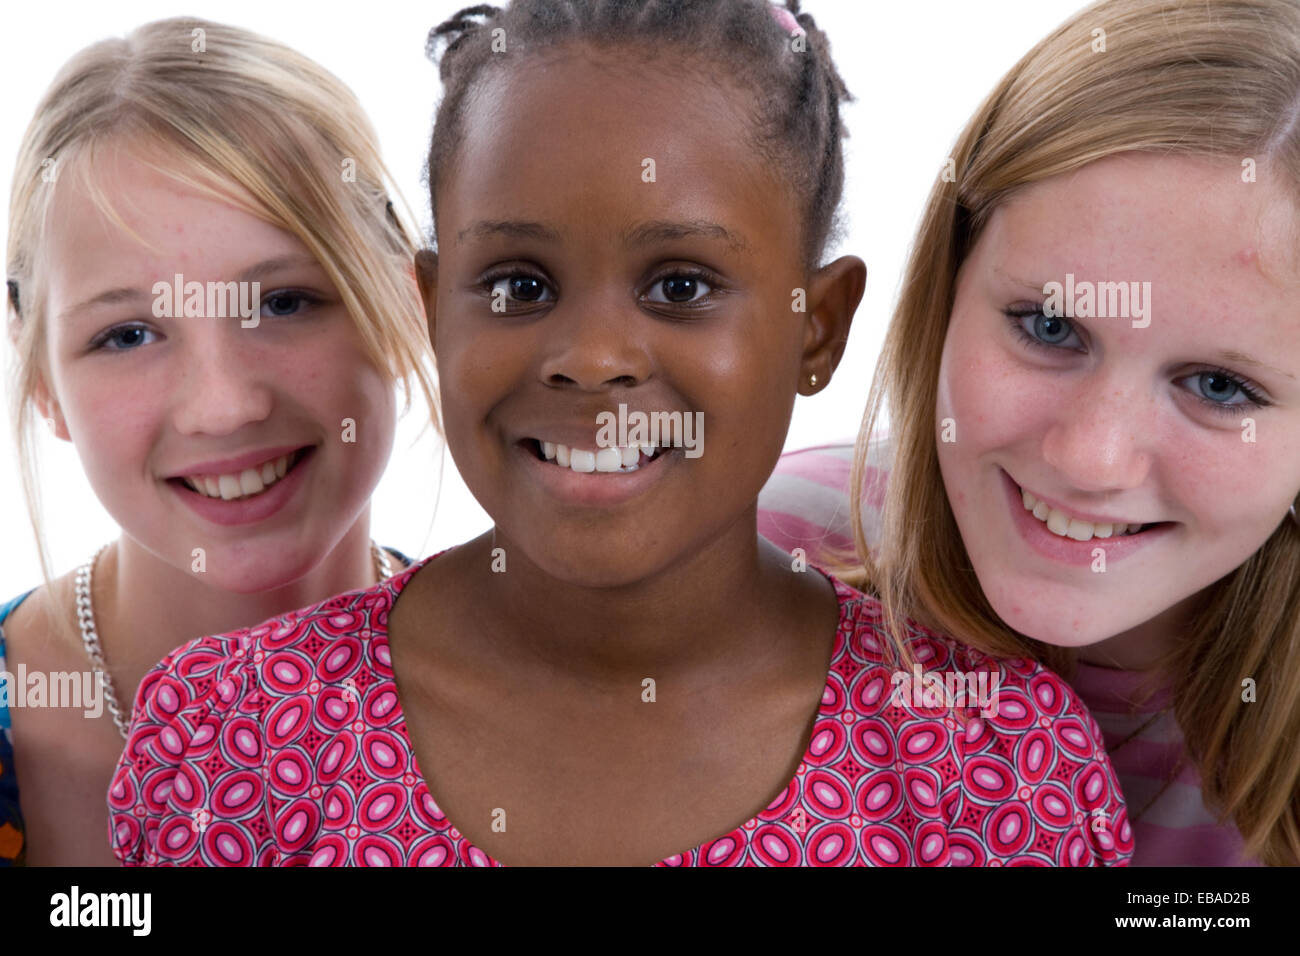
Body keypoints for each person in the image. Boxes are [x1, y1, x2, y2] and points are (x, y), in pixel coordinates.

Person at [109, 0, 1131, 866]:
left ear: (814, 327)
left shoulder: (997, 764)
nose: (591, 356)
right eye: (517, 284)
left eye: (680, 284)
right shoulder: (226, 741)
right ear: (431, 309)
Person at [759, 0, 1300, 865]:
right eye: (1049, 328)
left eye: (1218, 387)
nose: (1089, 459)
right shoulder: (766, 555)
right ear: (947, 289)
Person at [1, 17, 437, 865]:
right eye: (127, 335)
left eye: (285, 302)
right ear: (44, 380)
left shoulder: (563, 693)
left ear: (403, 300)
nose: (225, 406)